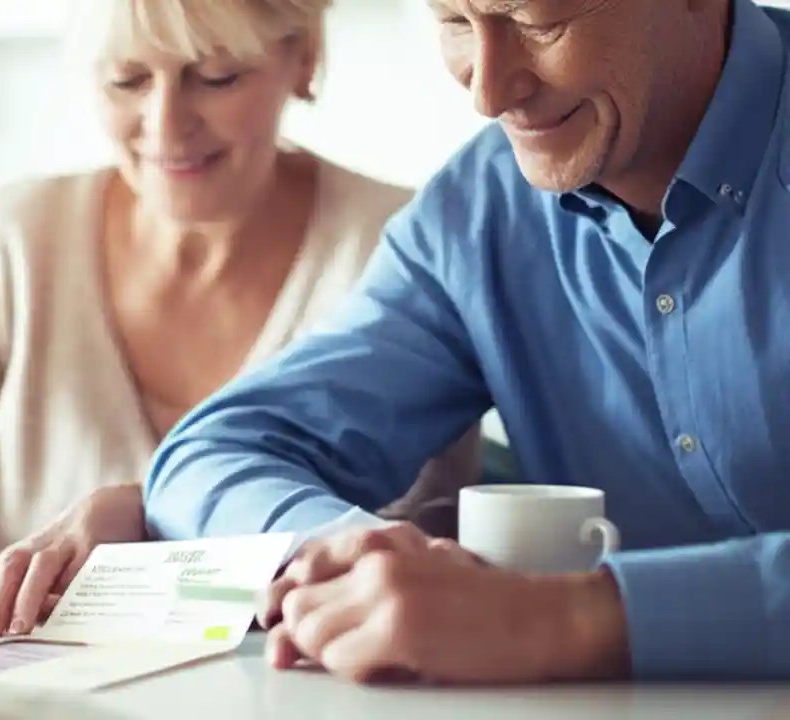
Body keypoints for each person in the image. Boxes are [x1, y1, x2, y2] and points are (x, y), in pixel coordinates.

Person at [0, 0, 483, 637]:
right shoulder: (14, 237)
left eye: (215, 76)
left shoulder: (402, 244)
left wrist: (153, 518)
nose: (167, 125)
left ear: (303, 58)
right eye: (127, 80)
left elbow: (425, 544)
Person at [144, 0, 790, 683]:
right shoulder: (477, 214)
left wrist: (565, 618)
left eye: (539, 24)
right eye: (453, 21)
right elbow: (214, 453)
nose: (486, 92)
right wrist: (363, 560)